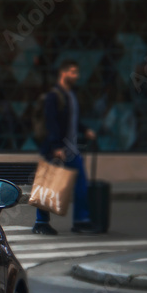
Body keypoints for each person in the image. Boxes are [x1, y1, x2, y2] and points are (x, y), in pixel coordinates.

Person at [32, 59, 97, 235]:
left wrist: (85, 130)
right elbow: (51, 122)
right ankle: (41, 223)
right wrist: (56, 146)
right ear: (63, 73)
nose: (77, 76)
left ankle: (81, 221)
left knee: (81, 184)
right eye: (73, 72)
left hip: (72, 149)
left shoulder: (71, 95)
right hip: (57, 148)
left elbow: (73, 121)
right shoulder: (54, 96)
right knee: (48, 186)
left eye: (77, 72)